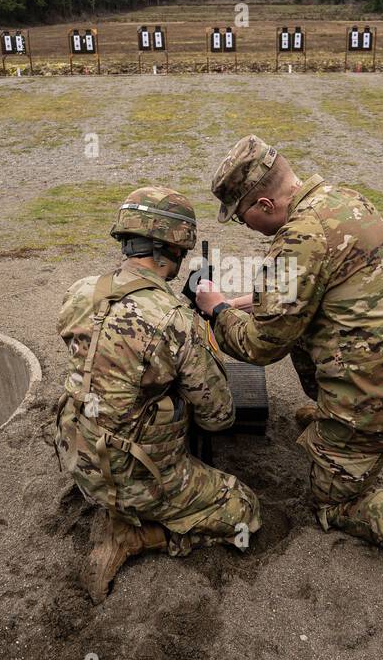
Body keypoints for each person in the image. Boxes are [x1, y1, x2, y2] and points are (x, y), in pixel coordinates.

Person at [196, 136, 383, 611]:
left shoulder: (298, 240)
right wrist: (248, 301)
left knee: (333, 506)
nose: (245, 226)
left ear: (263, 203)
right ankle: (332, 420)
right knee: (306, 338)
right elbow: (322, 291)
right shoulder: (344, 199)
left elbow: (260, 347)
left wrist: (217, 311)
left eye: (242, 216)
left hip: (377, 394)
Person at [55, 186, 261, 603]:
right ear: (173, 249)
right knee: (245, 511)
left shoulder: (81, 291)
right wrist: (200, 338)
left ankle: (123, 508)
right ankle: (138, 535)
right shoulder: (174, 320)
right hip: (134, 475)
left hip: (75, 453)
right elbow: (218, 416)